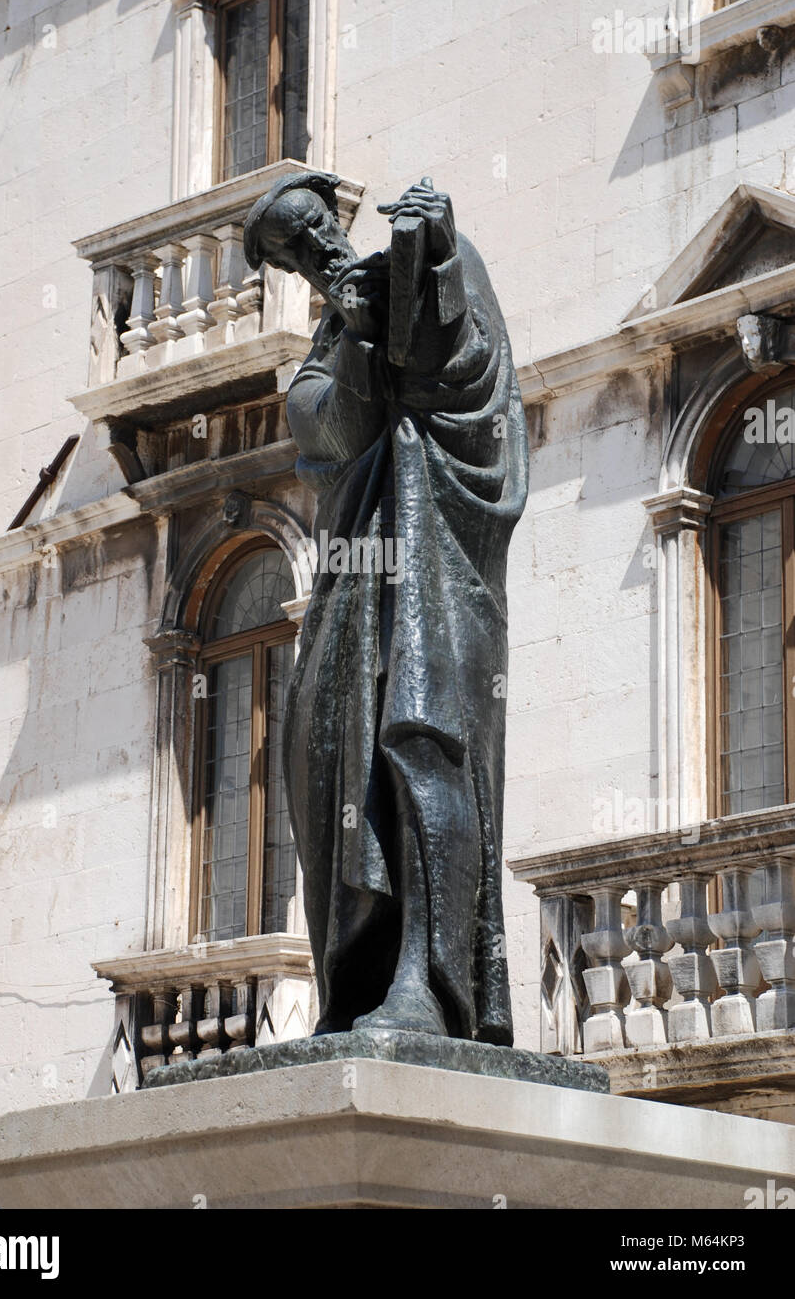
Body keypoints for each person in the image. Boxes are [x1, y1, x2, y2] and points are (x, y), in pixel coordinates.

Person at [244, 171, 529, 1041]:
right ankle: (362, 973)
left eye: (313, 230)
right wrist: (363, 343)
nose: (314, 252)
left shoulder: (436, 262)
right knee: (326, 755)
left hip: (437, 570)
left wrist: (431, 266)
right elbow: (322, 432)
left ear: (337, 219)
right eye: (293, 250)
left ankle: (431, 983)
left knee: (422, 741)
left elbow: (474, 392)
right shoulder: (332, 336)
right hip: (351, 584)